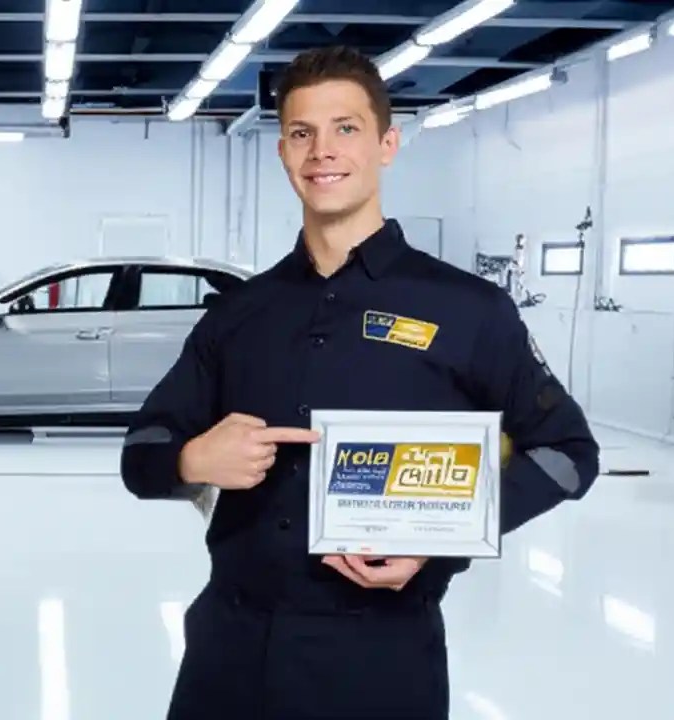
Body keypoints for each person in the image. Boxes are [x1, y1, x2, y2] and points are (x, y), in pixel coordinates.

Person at [119, 46, 600, 720]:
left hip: (380, 660)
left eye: (346, 128)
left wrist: (441, 538)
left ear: (386, 145)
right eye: (301, 132)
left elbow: (567, 454)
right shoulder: (238, 314)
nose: (323, 151)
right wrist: (192, 459)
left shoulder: (467, 310)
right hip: (228, 654)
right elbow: (142, 448)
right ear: (284, 151)